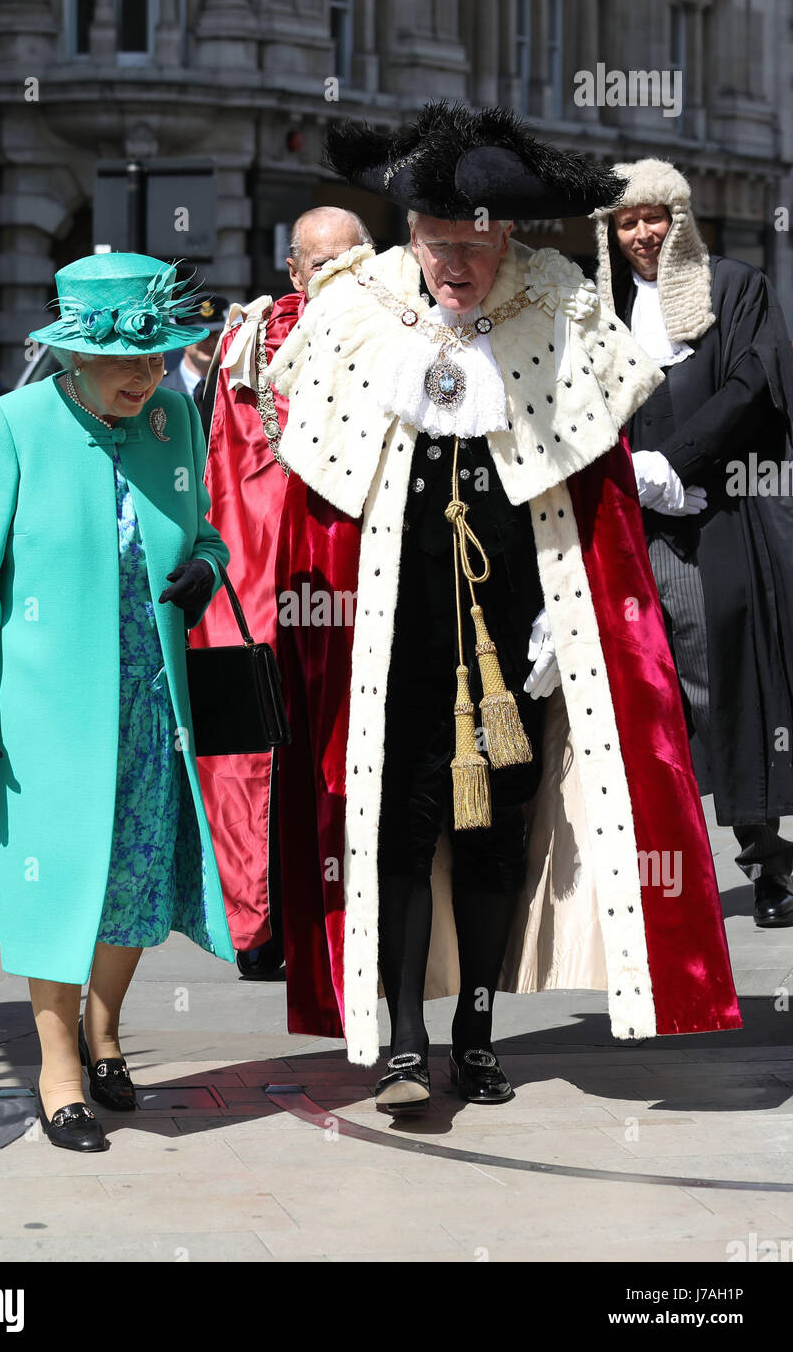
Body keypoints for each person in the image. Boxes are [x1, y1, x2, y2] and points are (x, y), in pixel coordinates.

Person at [266, 102, 741, 1108]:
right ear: (409, 234)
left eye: (474, 244)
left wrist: (558, 633)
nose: (455, 264)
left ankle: (474, 1032)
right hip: (392, 636)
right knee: (396, 823)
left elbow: (596, 498)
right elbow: (314, 501)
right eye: (438, 243)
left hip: (515, 638)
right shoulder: (354, 306)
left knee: (493, 836)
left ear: (506, 234)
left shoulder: (558, 306)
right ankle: (401, 1037)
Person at [0, 252, 233, 1151]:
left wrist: (204, 571)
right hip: (43, 710)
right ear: (75, 355)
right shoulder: (12, 425)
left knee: (136, 878)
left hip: (150, 695)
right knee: (57, 882)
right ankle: (58, 1065)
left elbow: (208, 530)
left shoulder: (174, 415)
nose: (152, 377)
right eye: (133, 364)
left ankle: (105, 1028)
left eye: (163, 359)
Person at [593, 160, 793, 929]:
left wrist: (674, 465)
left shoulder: (734, 288)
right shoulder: (591, 306)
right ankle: (658, 874)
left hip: (713, 515)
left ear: (681, 220)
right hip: (621, 517)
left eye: (656, 217)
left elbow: (751, 386)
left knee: (718, 675)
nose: (642, 234)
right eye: (626, 221)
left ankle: (766, 857)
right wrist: (621, 472)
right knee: (640, 692)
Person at [191, 206, 373, 980]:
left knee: (278, 753)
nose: (332, 282)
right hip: (293, 581)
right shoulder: (254, 344)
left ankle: (267, 925)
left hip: (266, 586)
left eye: (346, 264)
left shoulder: (248, 343)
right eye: (321, 267)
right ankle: (288, 921)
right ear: (294, 272)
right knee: (311, 746)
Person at [161, 293, 230, 435]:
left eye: (216, 334)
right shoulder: (160, 388)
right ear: (183, 338)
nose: (211, 342)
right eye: (202, 336)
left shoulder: (232, 388)